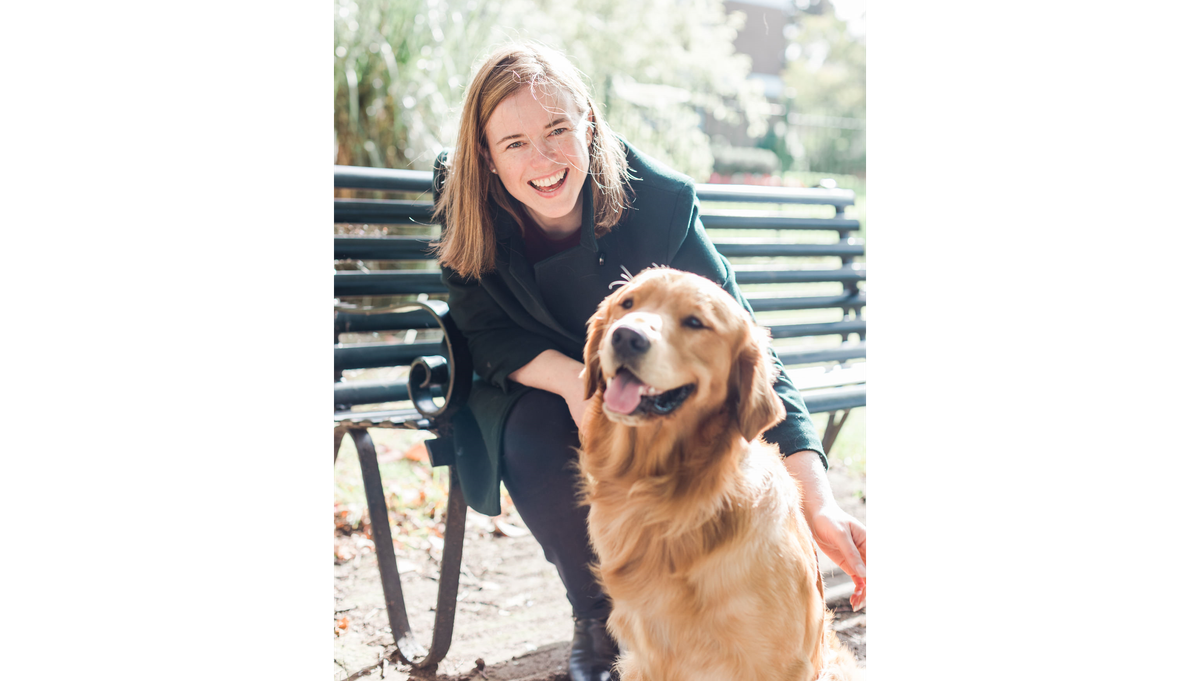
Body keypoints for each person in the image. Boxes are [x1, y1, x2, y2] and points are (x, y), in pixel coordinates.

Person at [433, 42, 867, 681]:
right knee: (533, 426)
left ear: (589, 124)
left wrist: (818, 501)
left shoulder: (657, 202)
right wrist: (570, 382)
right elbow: (479, 328)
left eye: (558, 130)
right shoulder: (462, 194)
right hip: (524, 376)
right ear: (486, 157)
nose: (544, 159)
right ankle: (596, 617)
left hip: (649, 374)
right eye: (515, 143)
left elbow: (744, 348)